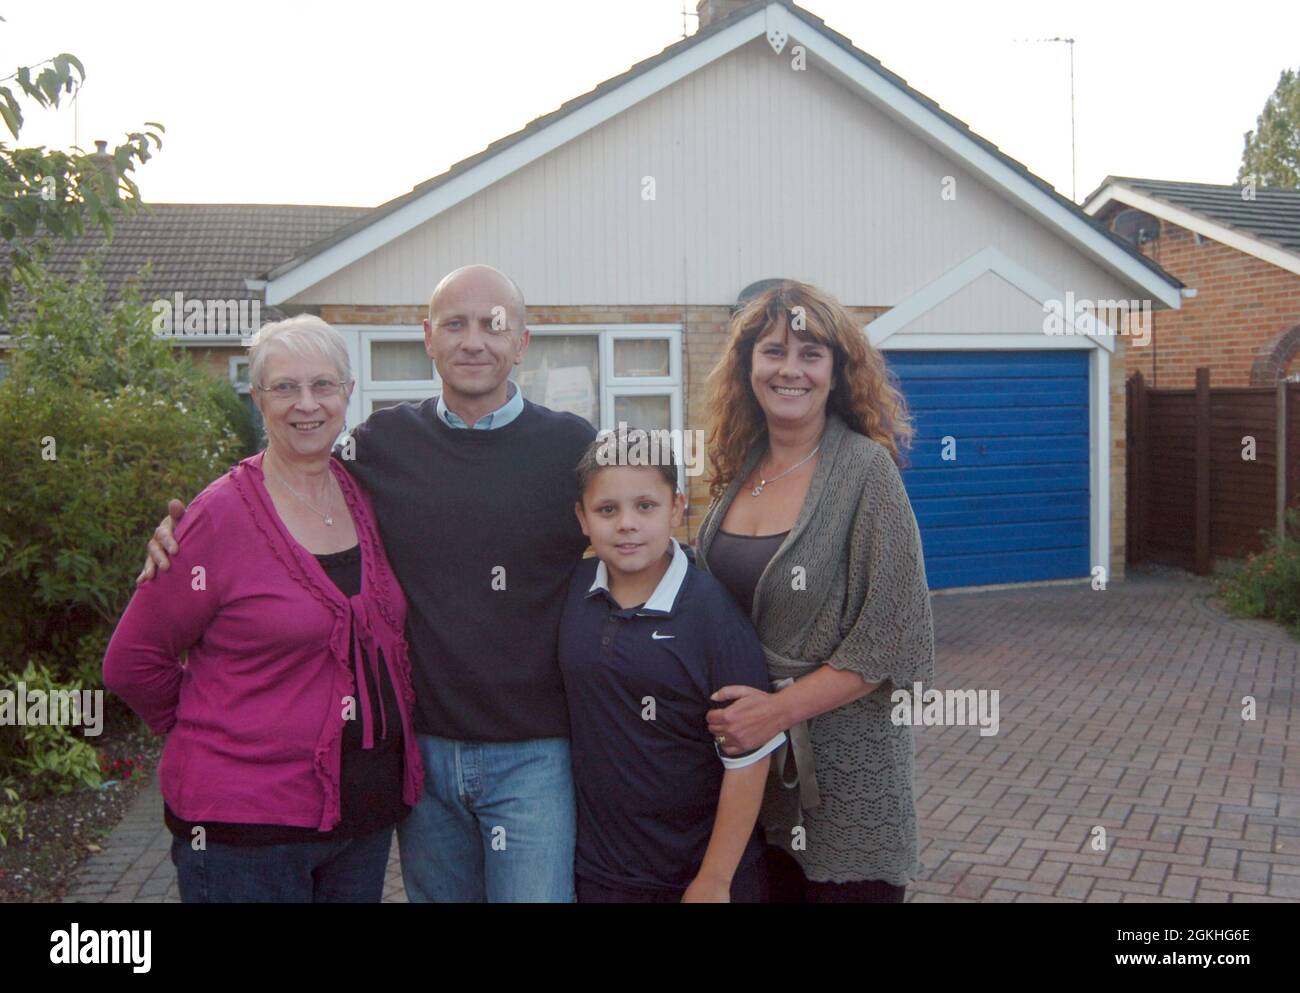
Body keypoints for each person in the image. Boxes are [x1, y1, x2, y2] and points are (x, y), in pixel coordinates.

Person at [138, 265, 596, 902]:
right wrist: (185, 531)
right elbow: (286, 474)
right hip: (420, 755)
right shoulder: (378, 448)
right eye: (454, 324)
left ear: (521, 342)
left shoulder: (574, 451)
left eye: (493, 325)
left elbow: (638, 542)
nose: (473, 341)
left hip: (535, 756)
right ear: (427, 337)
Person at [104, 315, 423, 902]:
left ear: (348, 394)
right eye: (285, 388)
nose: (307, 404)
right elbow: (132, 661)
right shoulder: (218, 516)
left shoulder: (363, 494)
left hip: (364, 820)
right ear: (258, 399)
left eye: (323, 385)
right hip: (244, 834)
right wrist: (212, 726)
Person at [695, 280, 935, 903]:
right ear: (749, 367)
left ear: (837, 372)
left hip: (847, 779)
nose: (790, 370)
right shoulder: (738, 469)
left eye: (810, 353)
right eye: (773, 351)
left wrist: (775, 711)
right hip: (746, 775)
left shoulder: (865, 472)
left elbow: (892, 636)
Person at [559, 431, 785, 902]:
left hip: (696, 876)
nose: (627, 524)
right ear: (582, 518)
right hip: (602, 874)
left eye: (646, 506)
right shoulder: (572, 593)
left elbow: (749, 756)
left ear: (677, 508)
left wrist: (715, 880)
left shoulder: (713, 614)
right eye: (607, 510)